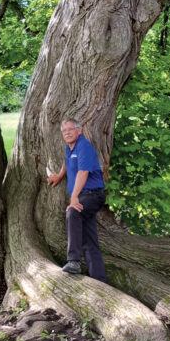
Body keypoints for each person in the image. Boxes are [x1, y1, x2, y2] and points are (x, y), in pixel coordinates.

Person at [47, 118, 108, 283]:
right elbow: (68, 162)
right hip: (84, 195)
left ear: (79, 131)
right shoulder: (70, 147)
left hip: (92, 194)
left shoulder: (84, 146)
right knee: (89, 241)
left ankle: (73, 261)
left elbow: (83, 172)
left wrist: (73, 198)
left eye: (70, 129)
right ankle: (99, 279)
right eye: (64, 130)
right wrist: (59, 175)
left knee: (73, 212)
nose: (67, 132)